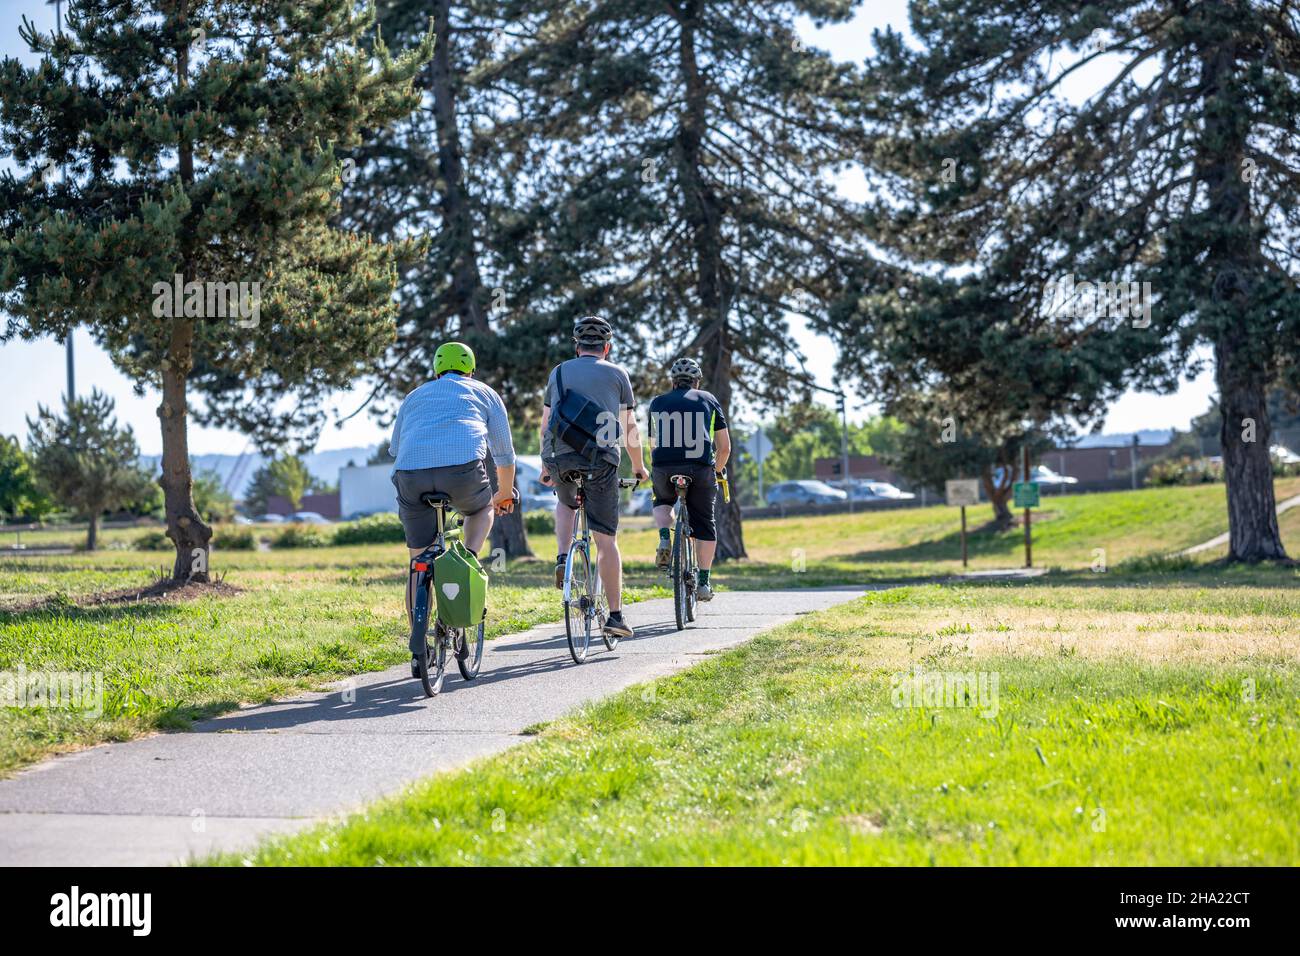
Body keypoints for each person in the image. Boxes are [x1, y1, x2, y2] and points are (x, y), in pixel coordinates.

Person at [389, 341, 516, 644]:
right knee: (480, 509)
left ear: (436, 371)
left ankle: (417, 639)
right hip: (463, 471)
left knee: (417, 562)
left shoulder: (413, 397)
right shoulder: (485, 392)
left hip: (410, 476)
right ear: (471, 369)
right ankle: (467, 558)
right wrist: (505, 493)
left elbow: (395, 448)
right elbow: (504, 454)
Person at [539, 315, 649, 638]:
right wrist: (639, 466)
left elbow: (546, 425)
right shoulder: (618, 375)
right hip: (601, 459)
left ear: (577, 348)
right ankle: (615, 617)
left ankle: (563, 555)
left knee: (567, 502)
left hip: (560, 455)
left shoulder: (558, 372)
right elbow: (629, 428)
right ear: (607, 347)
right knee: (606, 541)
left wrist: (547, 466)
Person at [648, 357, 730, 601]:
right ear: (697, 382)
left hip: (664, 465)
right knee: (705, 523)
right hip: (700, 468)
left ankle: (664, 537)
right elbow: (724, 448)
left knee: (663, 501)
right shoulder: (708, 399)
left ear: (673, 382)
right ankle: (703, 583)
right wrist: (717, 471)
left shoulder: (657, 402)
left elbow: (652, 444)